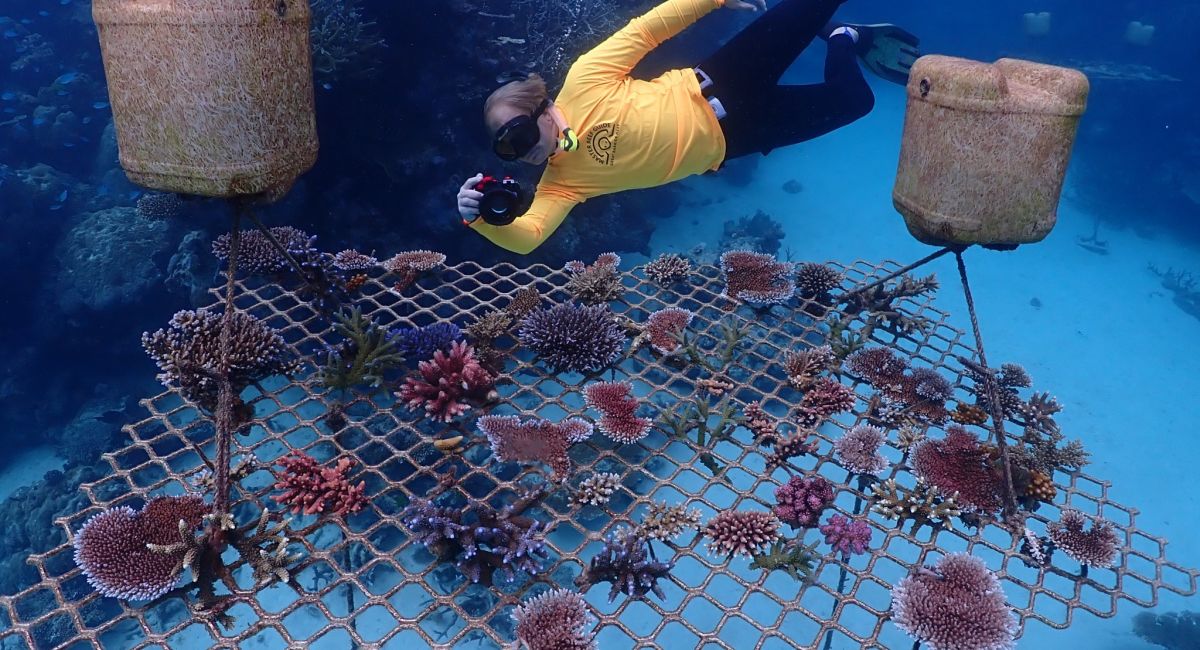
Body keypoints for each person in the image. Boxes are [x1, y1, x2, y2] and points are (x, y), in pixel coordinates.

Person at [456, 0, 919, 254]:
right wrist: (480, 219)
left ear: (542, 107)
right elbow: (528, 238)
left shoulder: (583, 80)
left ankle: (830, 25)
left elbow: (645, 31)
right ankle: (846, 38)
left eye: (519, 135)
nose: (522, 152)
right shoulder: (563, 185)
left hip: (725, 76)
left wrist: (713, 0)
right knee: (856, 101)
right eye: (508, 151)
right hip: (742, 136)